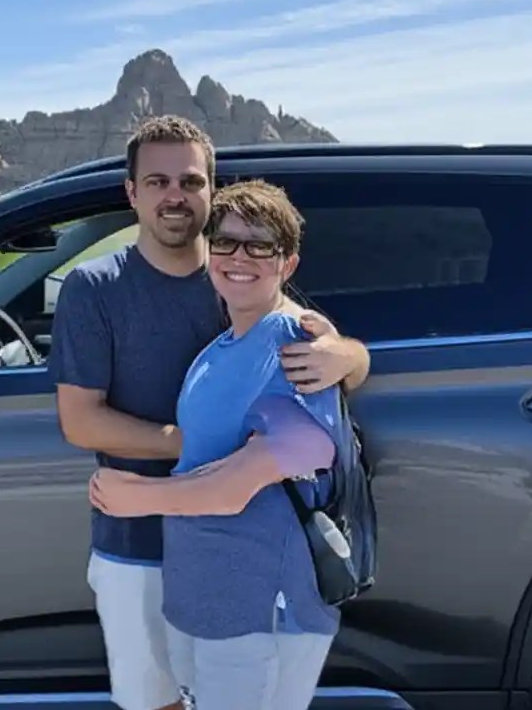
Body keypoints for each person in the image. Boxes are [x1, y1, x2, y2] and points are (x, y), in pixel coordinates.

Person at [49, 115, 370, 710]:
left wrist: (349, 354)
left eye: (191, 182)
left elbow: (314, 359)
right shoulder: (96, 287)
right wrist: (203, 452)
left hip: (243, 553)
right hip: (136, 542)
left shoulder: (239, 277)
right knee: (160, 700)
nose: (175, 196)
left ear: (210, 190)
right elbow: (82, 421)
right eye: (158, 181)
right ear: (132, 192)